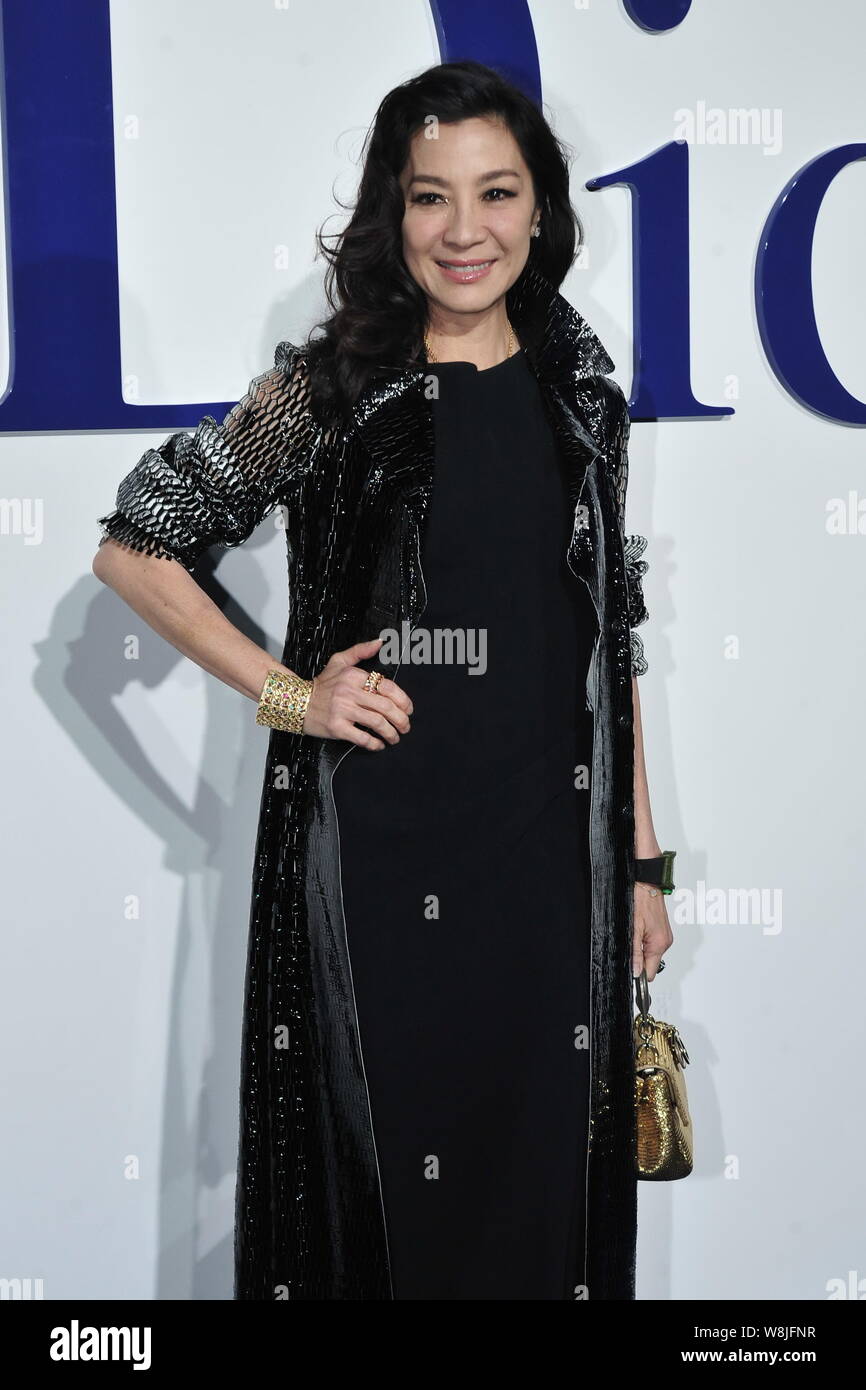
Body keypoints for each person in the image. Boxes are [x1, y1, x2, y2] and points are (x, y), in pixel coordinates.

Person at [93, 59, 673, 1301]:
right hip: (385, 851)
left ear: (541, 208)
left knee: (537, 1200)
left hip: (545, 868)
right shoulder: (331, 388)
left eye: (496, 194)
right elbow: (135, 545)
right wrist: (292, 692)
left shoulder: (583, 395)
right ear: (390, 212)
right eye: (429, 198)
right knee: (390, 1199)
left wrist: (636, 859)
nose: (464, 232)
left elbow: (606, 634)